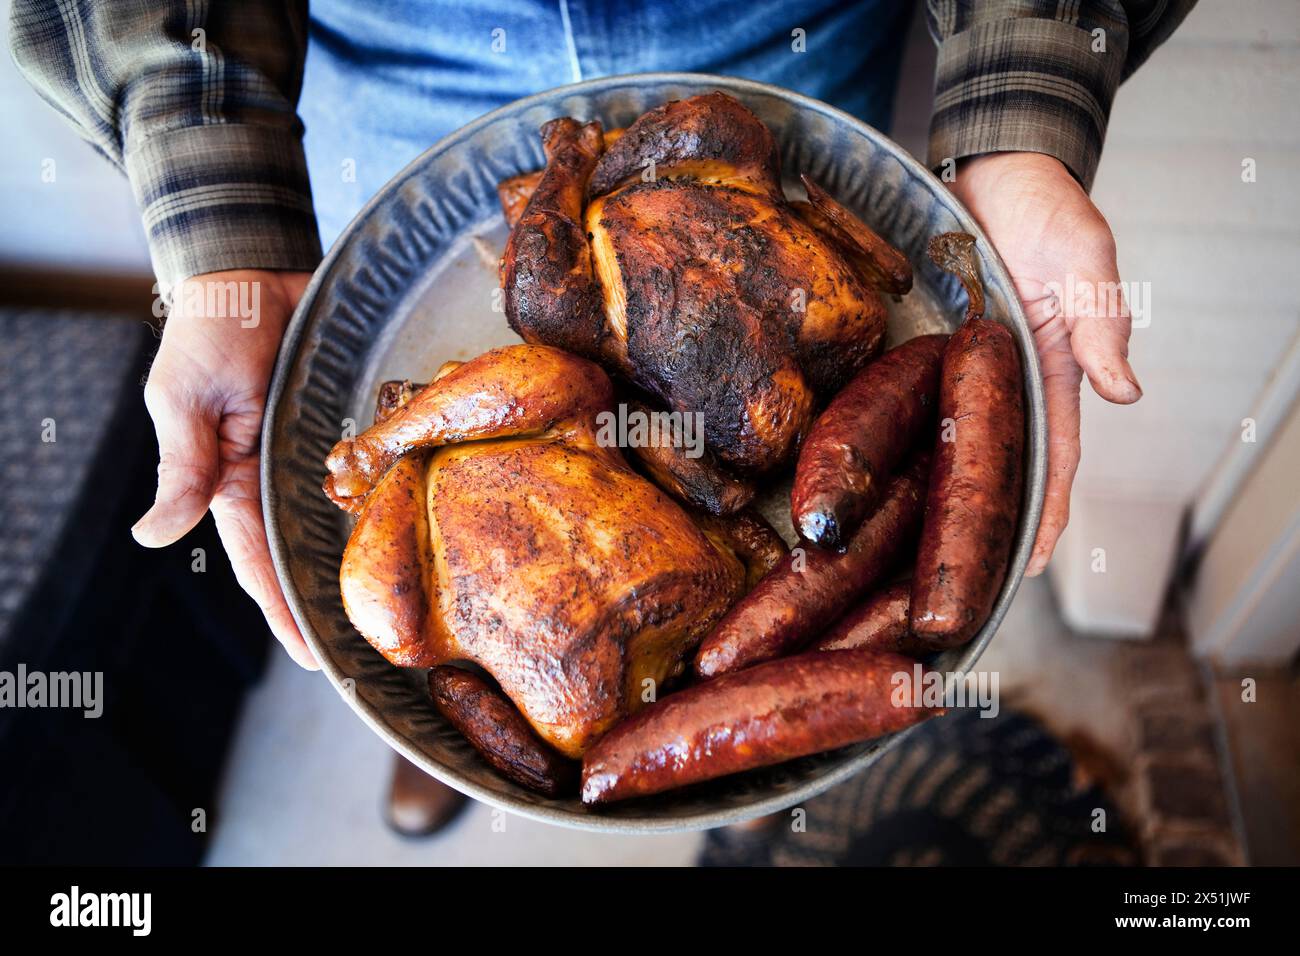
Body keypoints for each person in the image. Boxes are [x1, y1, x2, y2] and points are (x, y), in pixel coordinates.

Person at [12, 0, 1195, 834]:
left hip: (771, 35)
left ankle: (491, 745)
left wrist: (1020, 116)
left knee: (560, 420)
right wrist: (220, 228)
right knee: (430, 639)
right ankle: (452, 762)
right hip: (392, 56)